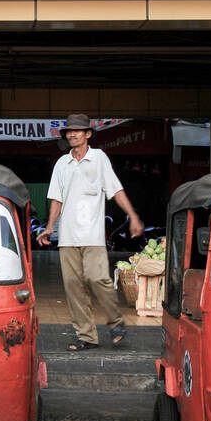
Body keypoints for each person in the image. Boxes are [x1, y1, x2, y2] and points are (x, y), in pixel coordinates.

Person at [37, 114, 144, 350]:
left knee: (98, 279)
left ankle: (115, 322)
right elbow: (56, 199)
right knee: (74, 288)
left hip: (93, 235)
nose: (72, 134)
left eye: (77, 131)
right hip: (67, 236)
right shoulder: (61, 164)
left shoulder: (98, 158)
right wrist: (49, 227)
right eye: (68, 131)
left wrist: (133, 216)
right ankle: (86, 336)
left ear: (88, 134)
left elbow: (116, 190)